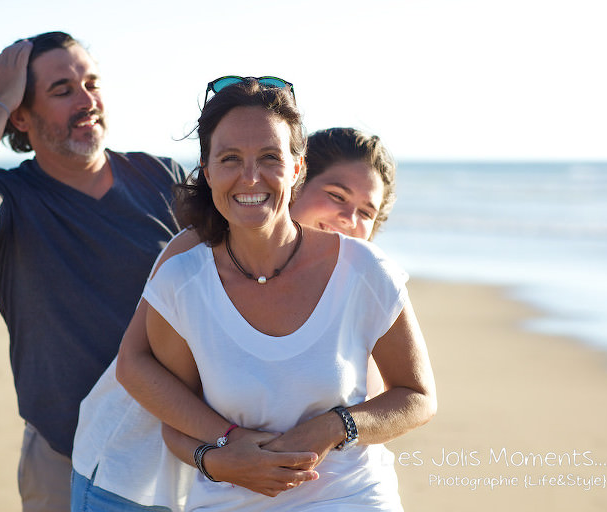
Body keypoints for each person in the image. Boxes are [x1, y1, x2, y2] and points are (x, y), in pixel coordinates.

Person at [73, 77, 435, 511]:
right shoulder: (189, 265)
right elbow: (139, 372)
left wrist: (331, 427)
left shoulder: (362, 272)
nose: (348, 219)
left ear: (295, 168)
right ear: (207, 172)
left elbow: (406, 398)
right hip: (132, 472)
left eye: (365, 212)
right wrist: (227, 449)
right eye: (337, 196)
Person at [0, 31, 185, 512]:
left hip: (181, 450)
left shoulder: (163, 178)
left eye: (91, 83)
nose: (87, 101)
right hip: (65, 459)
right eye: (63, 91)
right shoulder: (11, 201)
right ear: (22, 117)